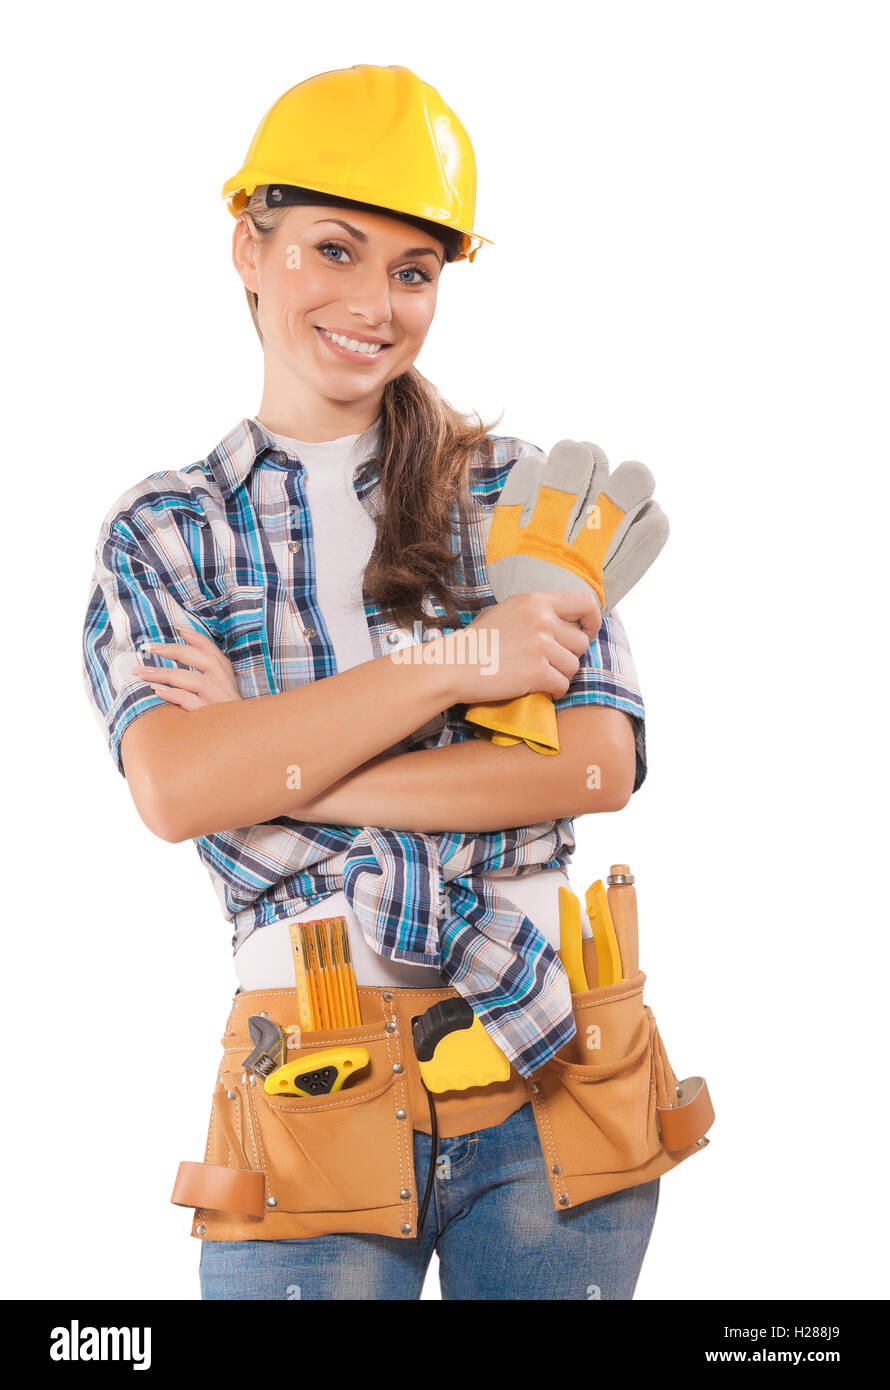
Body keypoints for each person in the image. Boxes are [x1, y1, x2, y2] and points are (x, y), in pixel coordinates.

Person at [81, 64, 661, 1300]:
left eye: (411, 269)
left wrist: (275, 763)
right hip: (310, 1071)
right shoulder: (168, 531)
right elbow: (178, 789)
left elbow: (595, 766)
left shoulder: (516, 493)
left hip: (549, 1060)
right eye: (331, 250)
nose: (373, 303)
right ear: (248, 245)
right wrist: (459, 663)